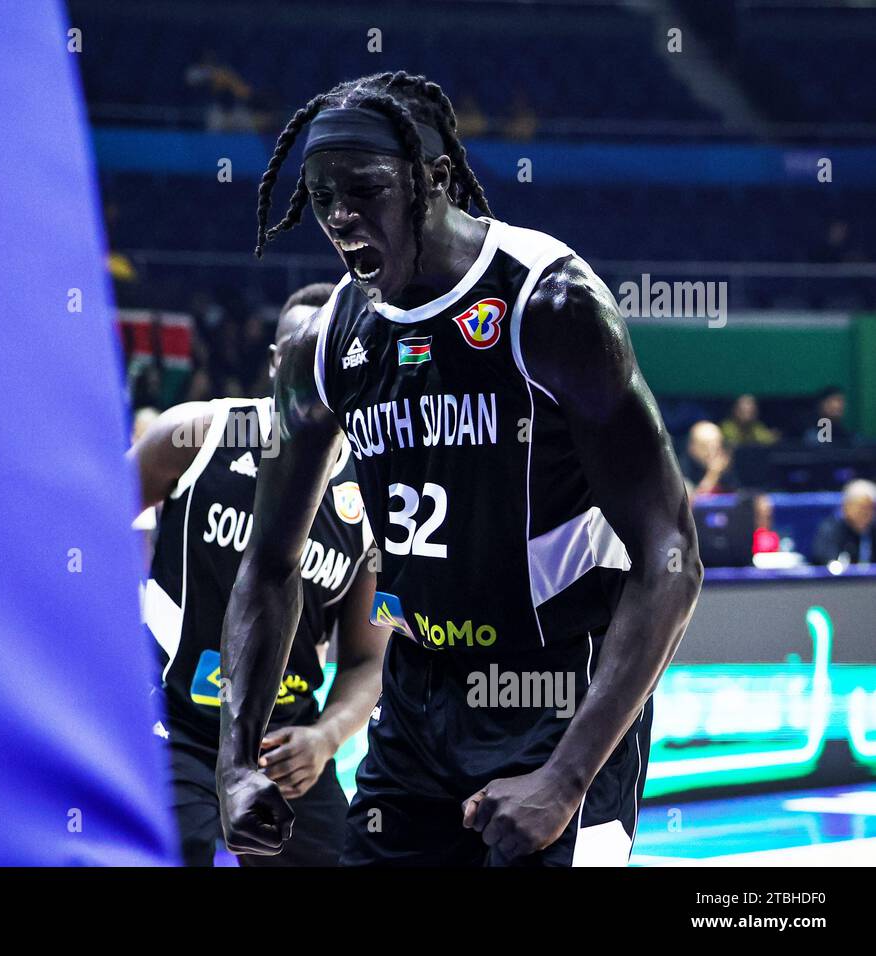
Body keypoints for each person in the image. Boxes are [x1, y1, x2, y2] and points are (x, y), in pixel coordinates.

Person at [215, 71, 702, 867]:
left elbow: (671, 556)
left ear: (434, 180)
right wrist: (232, 762)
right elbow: (269, 564)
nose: (339, 219)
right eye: (321, 195)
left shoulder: (549, 304)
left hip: (557, 693)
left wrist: (565, 779)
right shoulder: (323, 341)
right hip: (416, 699)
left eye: (364, 191)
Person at [128, 283, 387, 866]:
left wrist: (325, 739)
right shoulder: (195, 434)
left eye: (331, 357)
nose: (313, 371)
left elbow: (367, 661)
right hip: (173, 726)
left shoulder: (369, 500)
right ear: (277, 361)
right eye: (301, 351)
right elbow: (83, 540)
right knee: (179, 849)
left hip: (282, 744)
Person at [810, 479, 876, 566]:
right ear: (846, 506)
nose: (865, 514)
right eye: (861, 508)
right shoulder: (831, 529)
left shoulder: (873, 529)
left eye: (870, 509)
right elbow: (825, 559)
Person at [680, 420, 740, 497]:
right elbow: (691, 502)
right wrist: (712, 474)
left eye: (717, 446)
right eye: (705, 446)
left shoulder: (726, 467)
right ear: (692, 448)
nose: (712, 452)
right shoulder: (682, 469)